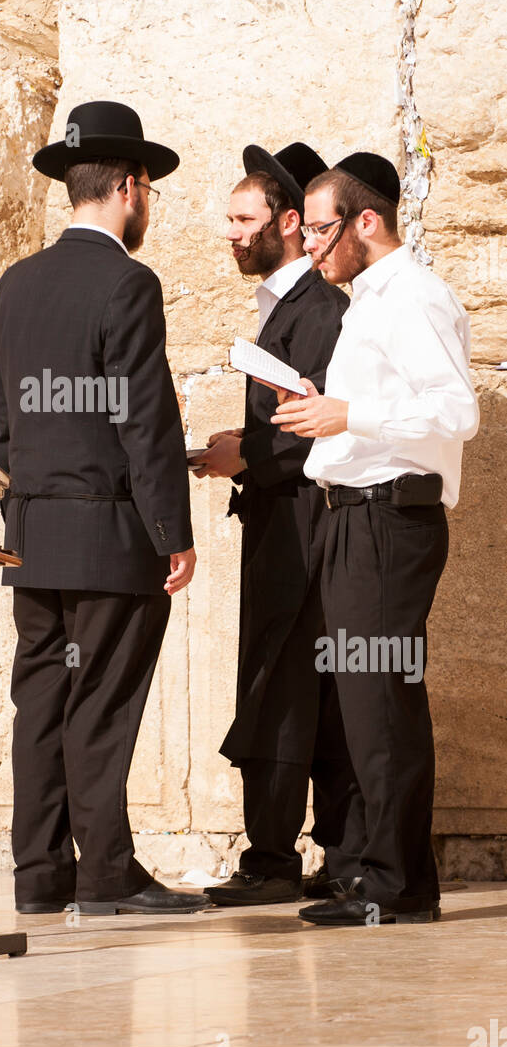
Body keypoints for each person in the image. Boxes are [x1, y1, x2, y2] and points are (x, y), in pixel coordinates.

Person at [0, 100, 209, 916]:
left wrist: (38, 493)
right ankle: (108, 874)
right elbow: (143, 418)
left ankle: (40, 876)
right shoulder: (127, 281)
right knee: (102, 706)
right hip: (111, 539)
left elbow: (4, 426)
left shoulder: (16, 284)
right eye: (147, 190)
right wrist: (169, 532)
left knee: (42, 701)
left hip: (32, 537)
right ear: (128, 186)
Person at [270, 151, 479, 925]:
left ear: (366, 221)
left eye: (321, 230)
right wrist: (329, 409)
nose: (311, 247)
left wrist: (348, 416)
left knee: (382, 704)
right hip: (355, 517)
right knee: (363, 703)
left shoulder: (412, 296)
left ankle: (397, 887)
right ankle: (379, 874)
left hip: (389, 520)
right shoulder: (369, 300)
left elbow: (457, 413)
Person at [193, 143, 360, 906]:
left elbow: (318, 423)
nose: (230, 232)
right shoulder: (286, 308)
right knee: (294, 685)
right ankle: (321, 854)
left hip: (306, 534)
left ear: (288, 222)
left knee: (292, 686)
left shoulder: (317, 310)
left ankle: (287, 860)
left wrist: (244, 453)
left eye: (243, 218)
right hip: (281, 529)